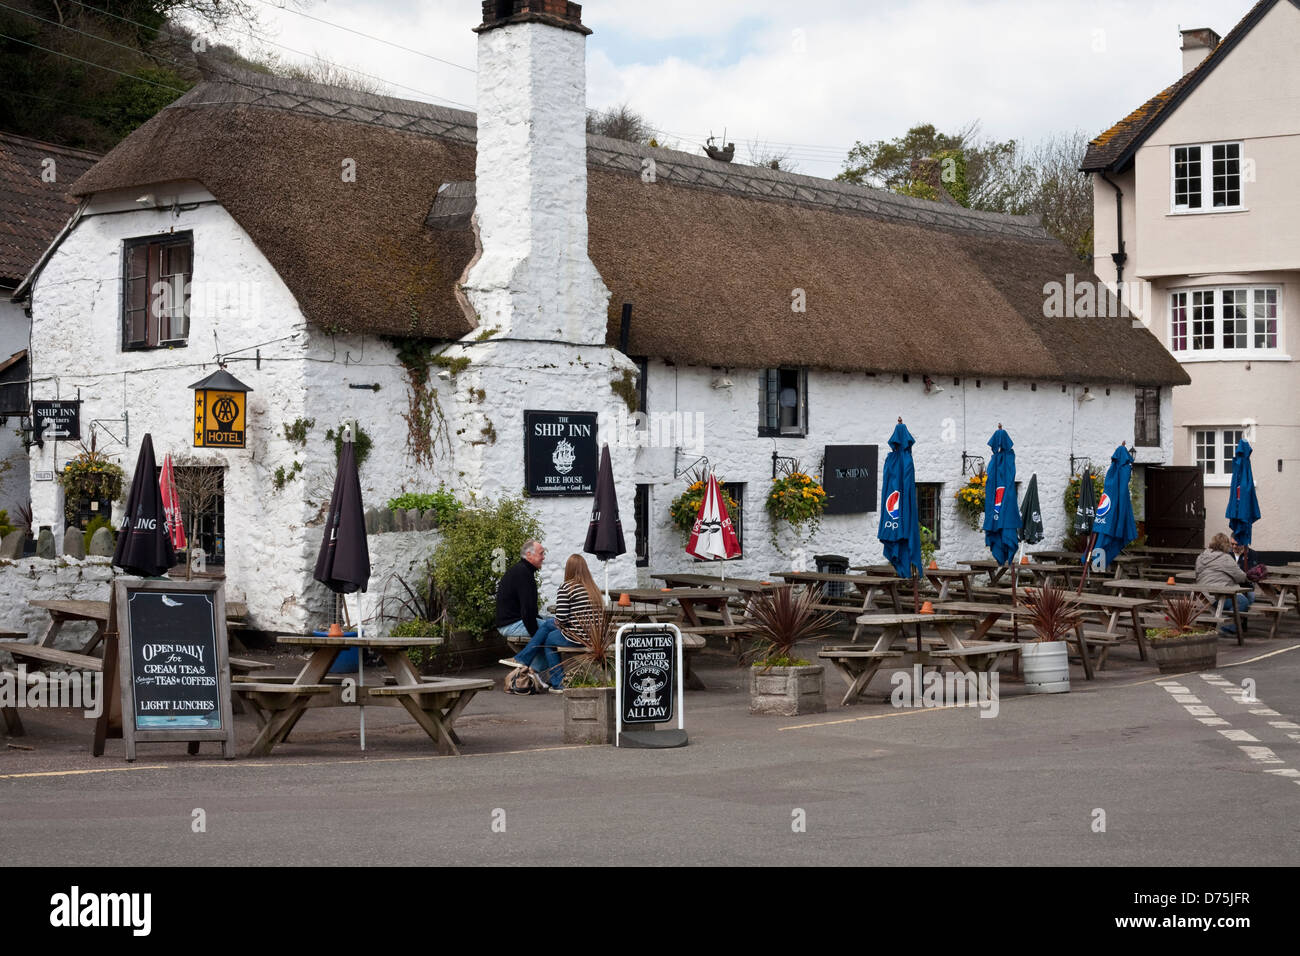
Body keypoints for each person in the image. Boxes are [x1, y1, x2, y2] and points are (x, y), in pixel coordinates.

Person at [501, 554, 601, 691]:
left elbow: (562, 618)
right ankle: (535, 667)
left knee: (549, 636)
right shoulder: (593, 588)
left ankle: (554, 680)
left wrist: (558, 622)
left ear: (569, 569)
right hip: (593, 638)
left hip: (577, 638)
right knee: (549, 627)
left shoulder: (567, 587)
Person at [1195, 533, 1254, 634]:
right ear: (1226, 545)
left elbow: (1197, 574)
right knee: (1243, 601)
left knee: (1243, 598)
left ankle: (1237, 626)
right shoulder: (1226, 558)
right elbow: (1241, 577)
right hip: (1218, 595)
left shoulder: (1201, 557)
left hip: (1204, 595)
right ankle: (1230, 628)